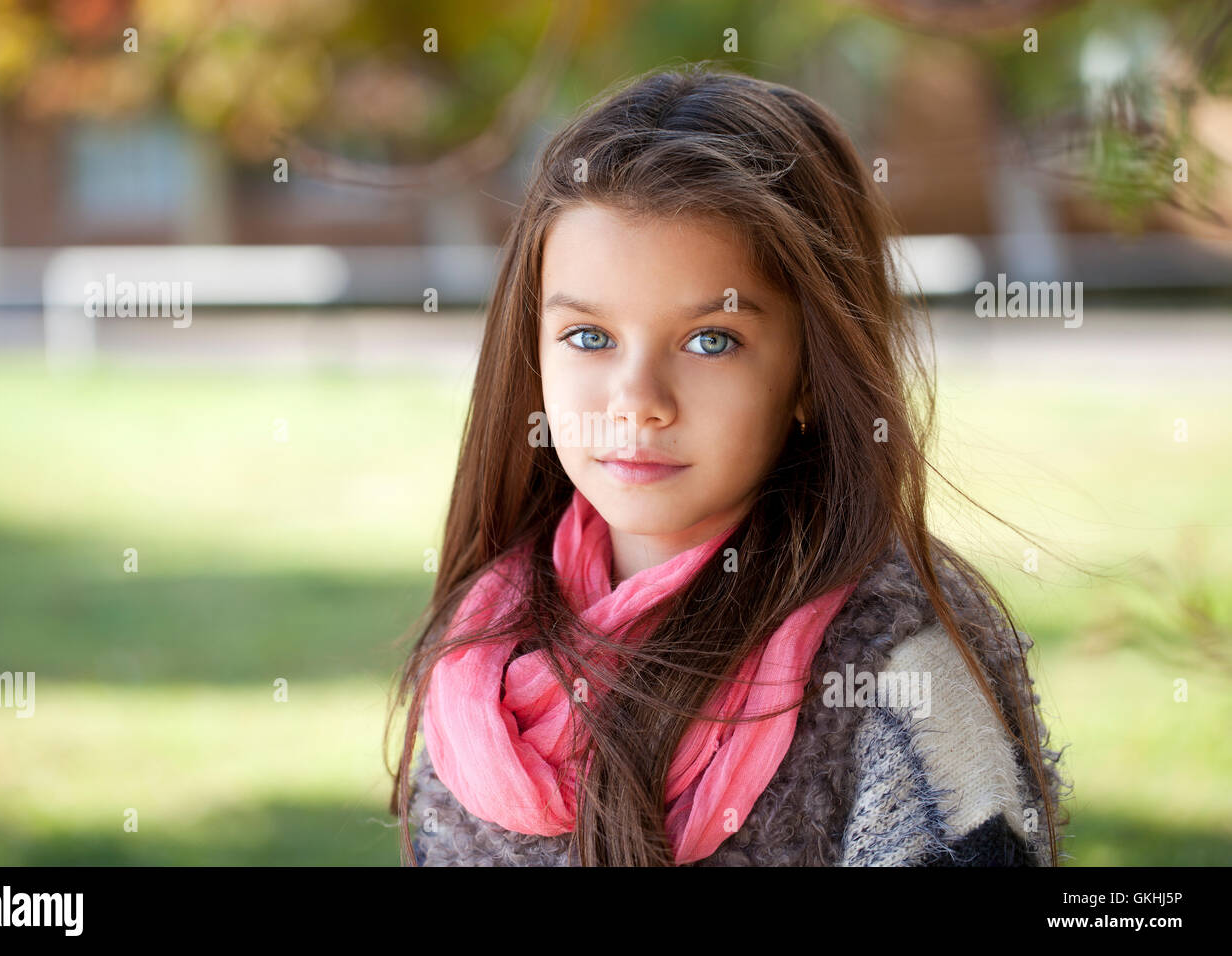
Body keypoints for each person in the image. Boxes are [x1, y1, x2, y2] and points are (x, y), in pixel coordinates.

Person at [386, 62, 1071, 866]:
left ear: (811, 371)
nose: (637, 401)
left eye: (712, 339)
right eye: (589, 337)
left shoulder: (897, 661)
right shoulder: (486, 650)